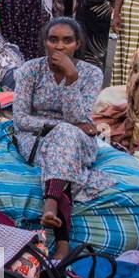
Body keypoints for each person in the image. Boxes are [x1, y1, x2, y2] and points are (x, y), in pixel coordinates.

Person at [12, 18, 104, 260]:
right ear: (45, 43)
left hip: (76, 140)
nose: (60, 47)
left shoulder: (91, 73)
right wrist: (60, 126)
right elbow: (20, 119)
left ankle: (50, 204)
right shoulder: (30, 70)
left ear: (77, 44)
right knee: (65, 138)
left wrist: (71, 79)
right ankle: (63, 246)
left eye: (67, 41)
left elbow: (80, 117)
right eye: (53, 40)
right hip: (36, 139)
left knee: (67, 138)